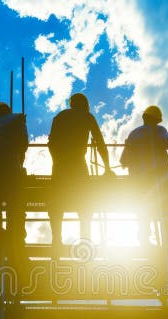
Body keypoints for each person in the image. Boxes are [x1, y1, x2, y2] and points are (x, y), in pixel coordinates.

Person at [48, 93, 114, 248]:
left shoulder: (59, 117)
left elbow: (51, 143)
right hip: (78, 163)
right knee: (84, 202)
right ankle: (85, 239)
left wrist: (57, 160)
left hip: (60, 164)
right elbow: (100, 142)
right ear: (85, 104)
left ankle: (56, 239)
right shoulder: (87, 117)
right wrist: (107, 167)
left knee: (57, 202)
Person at [120, 105, 168, 246]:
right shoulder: (158, 130)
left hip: (139, 182)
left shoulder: (133, 134)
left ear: (144, 117)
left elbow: (123, 161)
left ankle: (145, 244)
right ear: (157, 119)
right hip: (160, 180)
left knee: (143, 213)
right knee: (165, 212)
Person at [0, 102, 29, 253]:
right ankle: (16, 235)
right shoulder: (18, 119)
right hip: (10, 164)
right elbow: (23, 143)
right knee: (15, 201)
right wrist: (20, 163)